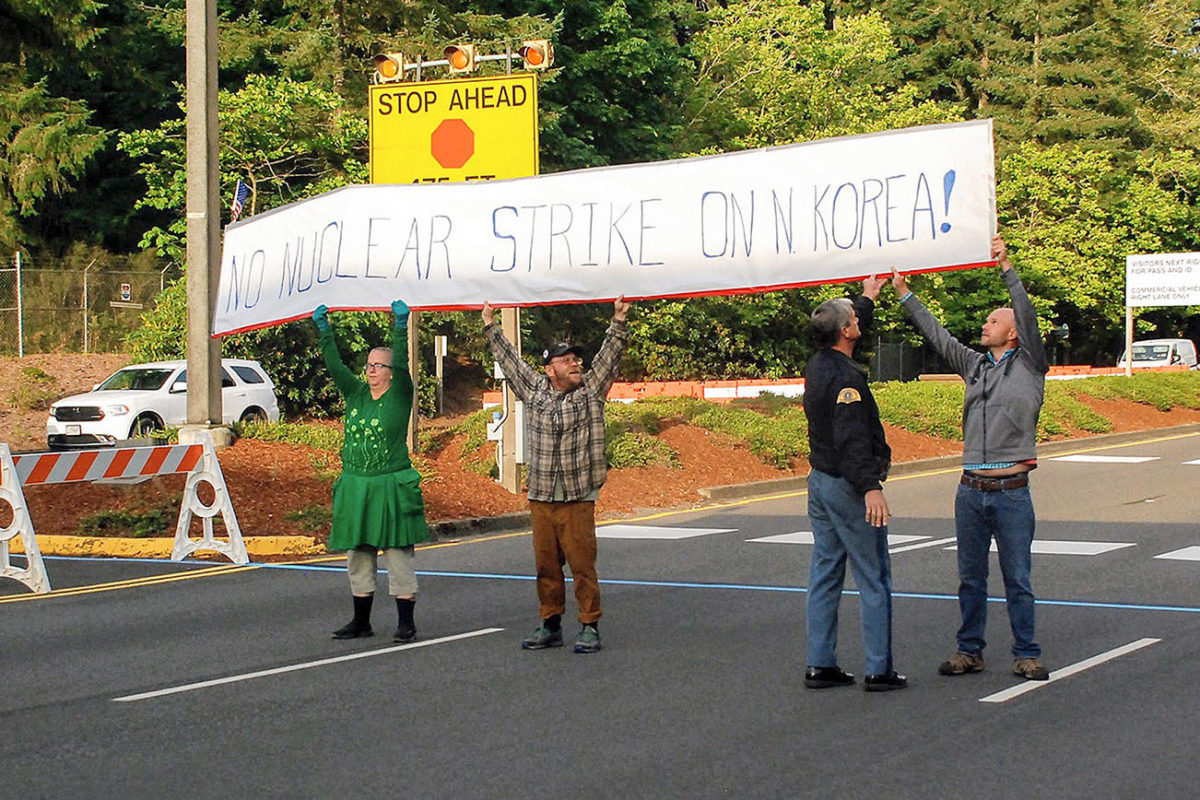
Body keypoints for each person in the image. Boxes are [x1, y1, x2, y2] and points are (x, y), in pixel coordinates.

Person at [891, 234, 1050, 681]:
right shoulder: (974, 365)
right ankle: (969, 651)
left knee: (1017, 578)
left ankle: (1027, 652)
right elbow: (938, 336)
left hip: (1012, 492)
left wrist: (1007, 269)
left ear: (1014, 332)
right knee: (970, 579)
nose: (985, 325)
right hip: (971, 490)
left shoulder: (1031, 363)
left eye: (993, 320)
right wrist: (906, 294)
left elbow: (1029, 314)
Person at [482, 298, 631, 654]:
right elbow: (510, 361)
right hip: (542, 496)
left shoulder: (591, 391)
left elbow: (610, 354)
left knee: (582, 566)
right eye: (567, 360)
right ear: (550, 369)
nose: (576, 364)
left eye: (576, 359)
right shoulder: (534, 391)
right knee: (546, 566)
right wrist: (490, 326)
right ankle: (550, 623)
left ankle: (589, 625)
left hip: (579, 496)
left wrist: (619, 320)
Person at [802, 277, 907, 692]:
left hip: (820, 482)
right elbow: (852, 441)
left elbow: (843, 323)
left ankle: (819, 662)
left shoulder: (819, 363)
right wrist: (871, 488)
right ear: (846, 331)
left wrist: (867, 297)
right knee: (873, 574)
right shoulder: (847, 380)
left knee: (826, 572)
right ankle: (879, 669)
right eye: (853, 318)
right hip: (847, 485)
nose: (856, 321)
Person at [313, 299, 429, 643]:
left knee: (397, 554)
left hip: (389, 484)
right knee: (358, 553)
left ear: (391, 372)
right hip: (356, 484)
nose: (371, 370)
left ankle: (405, 623)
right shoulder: (357, 394)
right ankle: (361, 621)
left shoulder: (399, 394)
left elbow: (406, 363)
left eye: (379, 365)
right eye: (369, 365)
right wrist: (324, 330)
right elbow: (334, 366)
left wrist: (399, 324)